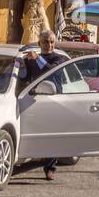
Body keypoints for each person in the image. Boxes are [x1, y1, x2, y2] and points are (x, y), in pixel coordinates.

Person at [14, 30, 70, 180]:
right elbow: (25, 77)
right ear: (39, 43)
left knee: (53, 135)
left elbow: (51, 71)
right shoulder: (32, 59)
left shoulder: (60, 58)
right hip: (34, 100)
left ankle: (50, 167)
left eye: (51, 41)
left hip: (54, 100)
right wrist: (21, 65)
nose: (49, 45)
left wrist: (37, 58)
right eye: (45, 42)